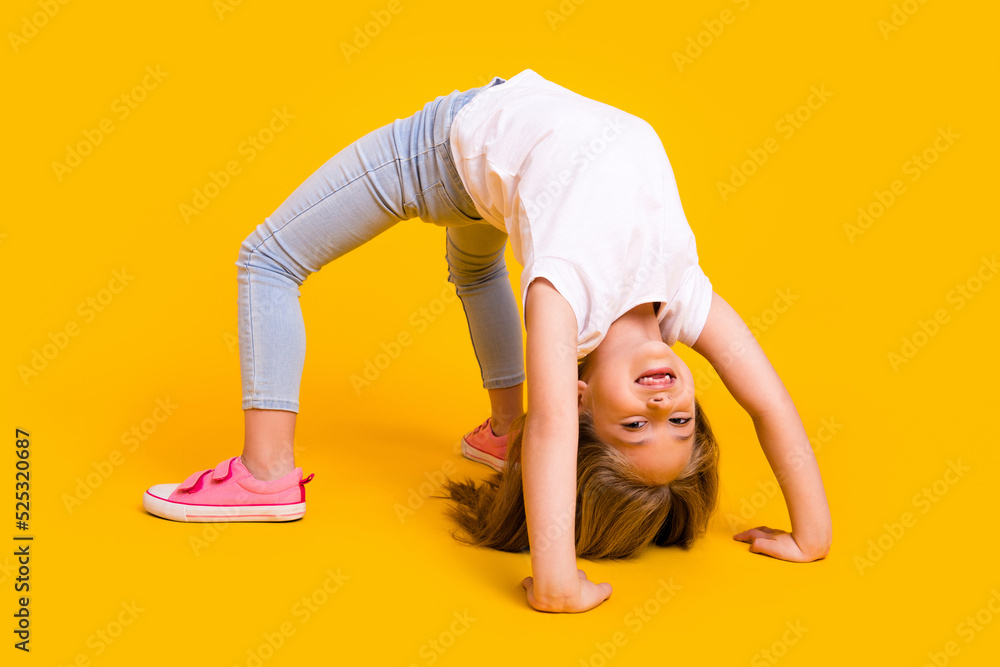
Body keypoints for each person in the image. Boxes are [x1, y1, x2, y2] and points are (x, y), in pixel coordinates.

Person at [141, 69, 832, 614]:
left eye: (633, 425)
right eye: (679, 422)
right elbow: (768, 402)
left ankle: (265, 473)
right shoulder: (683, 295)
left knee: (268, 258)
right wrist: (810, 534)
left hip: (447, 148)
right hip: (507, 171)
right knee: (474, 267)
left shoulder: (563, 292)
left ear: (582, 396)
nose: (661, 406)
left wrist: (556, 580)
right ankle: (505, 429)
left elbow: (555, 424)